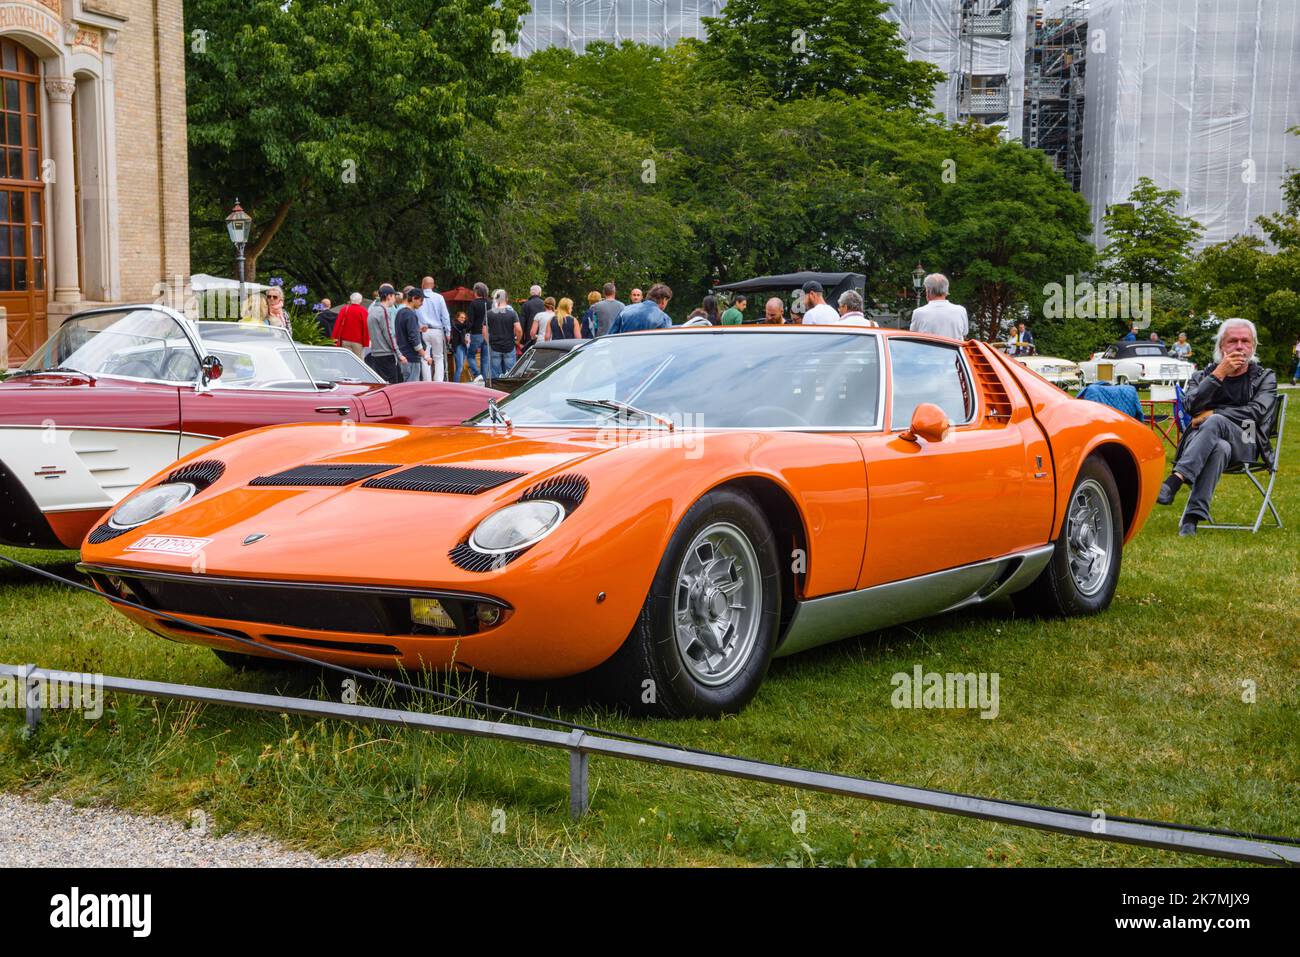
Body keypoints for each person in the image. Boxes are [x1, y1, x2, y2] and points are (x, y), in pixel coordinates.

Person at [1156, 318, 1277, 536]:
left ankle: (1175, 480)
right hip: (1205, 442)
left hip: (1248, 438)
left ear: (1254, 346)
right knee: (1220, 447)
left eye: (1245, 341)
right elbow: (1190, 406)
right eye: (1233, 341)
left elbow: (1257, 412)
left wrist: (1214, 413)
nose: (1239, 346)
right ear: (1221, 346)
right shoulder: (1202, 376)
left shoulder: (1264, 377)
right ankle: (1191, 520)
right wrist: (1218, 374)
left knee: (1215, 421)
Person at [908, 273, 968, 338]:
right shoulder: (960, 311)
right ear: (946, 292)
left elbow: (913, 337)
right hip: (953, 348)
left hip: (927, 348)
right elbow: (964, 333)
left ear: (928, 291)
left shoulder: (918, 313)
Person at [417, 276, 451, 382]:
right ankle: (439, 381)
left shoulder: (417, 297)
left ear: (422, 284)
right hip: (437, 330)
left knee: (424, 357)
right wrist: (448, 331)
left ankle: (427, 381)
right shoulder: (439, 297)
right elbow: (445, 315)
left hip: (422, 330)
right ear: (433, 285)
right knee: (438, 357)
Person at [365, 285, 400, 383]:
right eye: (394, 296)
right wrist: (398, 353)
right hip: (386, 353)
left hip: (376, 353)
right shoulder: (384, 310)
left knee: (381, 384)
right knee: (392, 386)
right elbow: (389, 333)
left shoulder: (372, 309)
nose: (394, 299)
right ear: (389, 296)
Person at [484, 288, 522, 380]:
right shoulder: (512, 313)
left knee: (495, 372)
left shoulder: (489, 313)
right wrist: (517, 340)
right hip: (509, 345)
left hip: (494, 346)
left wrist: (488, 342)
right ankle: (510, 390)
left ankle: (496, 391)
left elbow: (484, 330)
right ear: (507, 299)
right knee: (511, 372)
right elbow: (518, 329)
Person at [394, 288, 430, 382]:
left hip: (403, 354)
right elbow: (413, 339)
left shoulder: (400, 312)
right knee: (412, 389)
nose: (422, 303)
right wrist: (425, 355)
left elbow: (403, 331)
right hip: (411, 357)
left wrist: (418, 330)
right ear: (414, 298)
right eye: (421, 300)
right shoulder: (410, 315)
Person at [333, 292, 370, 358]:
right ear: (360, 300)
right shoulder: (363, 311)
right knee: (358, 362)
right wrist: (366, 342)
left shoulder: (344, 309)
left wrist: (334, 338)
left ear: (350, 299)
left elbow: (337, 325)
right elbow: (366, 328)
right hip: (358, 342)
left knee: (345, 360)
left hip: (345, 340)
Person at [467, 282, 491, 383]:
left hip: (476, 333)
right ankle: (484, 379)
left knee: (470, 355)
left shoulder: (473, 304)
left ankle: (477, 374)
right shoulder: (490, 303)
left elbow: (471, 321)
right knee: (485, 358)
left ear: (476, 291)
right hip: (488, 333)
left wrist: (466, 331)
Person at [520, 284, 546, 351]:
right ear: (540, 293)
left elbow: (522, 324)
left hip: (529, 339)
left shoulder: (525, 305)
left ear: (530, 293)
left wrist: (521, 341)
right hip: (543, 338)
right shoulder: (545, 305)